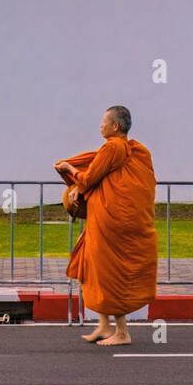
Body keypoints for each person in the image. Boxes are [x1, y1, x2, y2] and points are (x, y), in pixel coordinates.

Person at [54, 106, 157, 346]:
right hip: (105, 221)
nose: (100, 125)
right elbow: (108, 179)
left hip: (112, 225)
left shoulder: (113, 147)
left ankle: (122, 332)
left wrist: (70, 169)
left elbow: (90, 178)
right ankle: (104, 325)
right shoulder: (132, 151)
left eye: (103, 121)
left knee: (109, 274)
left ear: (115, 127)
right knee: (92, 268)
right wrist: (81, 187)